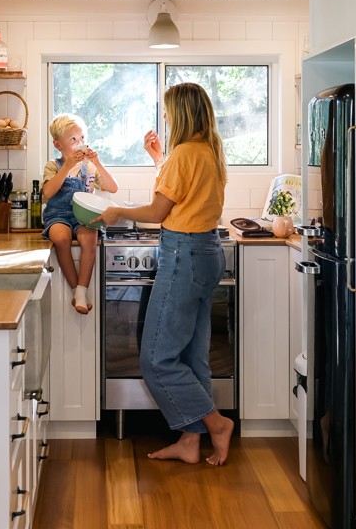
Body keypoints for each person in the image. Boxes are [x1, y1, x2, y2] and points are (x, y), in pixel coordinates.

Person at [98, 83, 234, 466]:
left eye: (168, 111)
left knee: (156, 359)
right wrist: (159, 157)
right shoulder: (208, 151)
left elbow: (158, 213)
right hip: (207, 252)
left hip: (184, 254)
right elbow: (183, 196)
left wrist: (118, 211)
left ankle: (216, 424)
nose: (165, 117)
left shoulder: (184, 154)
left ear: (181, 114)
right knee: (193, 356)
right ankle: (191, 441)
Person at [42, 113, 118, 314]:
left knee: (90, 237)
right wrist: (67, 167)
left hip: (83, 216)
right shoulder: (53, 165)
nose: (80, 143)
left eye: (82, 138)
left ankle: (82, 290)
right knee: (60, 237)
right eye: (73, 139)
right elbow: (47, 194)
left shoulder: (89, 167)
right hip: (58, 214)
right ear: (58, 145)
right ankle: (76, 289)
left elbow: (112, 187)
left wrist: (98, 163)